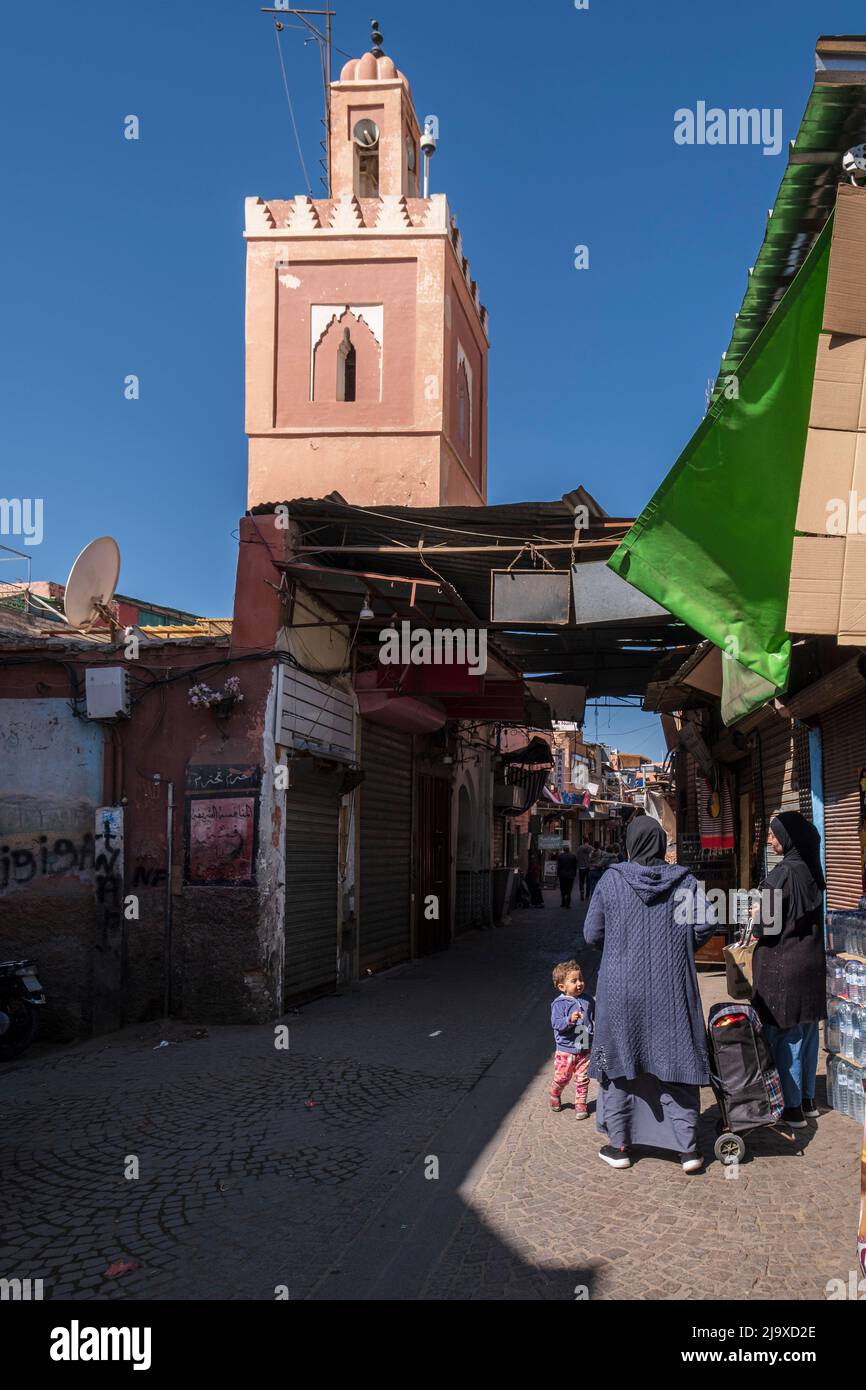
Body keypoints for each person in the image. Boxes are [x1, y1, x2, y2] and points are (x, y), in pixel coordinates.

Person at [584, 815, 717, 1172]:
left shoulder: (611, 880)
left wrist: (618, 946)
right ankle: (687, 1150)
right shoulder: (685, 881)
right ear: (660, 844)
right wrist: (679, 945)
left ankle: (621, 1145)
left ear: (629, 843)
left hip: (619, 988)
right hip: (671, 987)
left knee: (620, 1061)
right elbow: (707, 923)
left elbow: (591, 934)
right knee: (677, 1059)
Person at [750, 811, 827, 1128]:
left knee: (786, 1035)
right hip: (810, 964)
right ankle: (807, 1101)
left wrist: (756, 914)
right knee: (807, 1031)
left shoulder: (781, 875)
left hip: (784, 967)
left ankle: (791, 1108)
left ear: (788, 838)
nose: (769, 839)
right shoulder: (813, 871)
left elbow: (765, 927)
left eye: (773, 833)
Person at [549, 959, 594, 1118]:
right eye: (574, 981)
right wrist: (569, 1020)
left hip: (584, 1045)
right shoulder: (559, 1004)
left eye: (581, 979)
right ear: (562, 987)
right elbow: (556, 1024)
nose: (579, 983)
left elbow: (593, 1019)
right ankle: (555, 1092)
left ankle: (581, 1103)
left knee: (583, 1078)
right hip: (566, 1049)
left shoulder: (588, 1000)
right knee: (562, 1077)